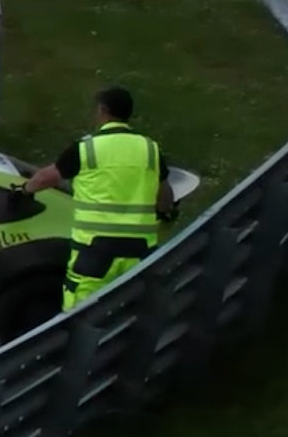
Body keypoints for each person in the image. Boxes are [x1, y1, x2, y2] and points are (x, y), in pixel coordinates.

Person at [20, 87, 175, 311]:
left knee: (83, 312)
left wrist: (25, 189)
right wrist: (164, 213)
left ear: (103, 110)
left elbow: (47, 177)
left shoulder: (86, 148)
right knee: (133, 311)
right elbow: (164, 194)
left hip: (94, 251)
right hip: (139, 250)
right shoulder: (150, 149)